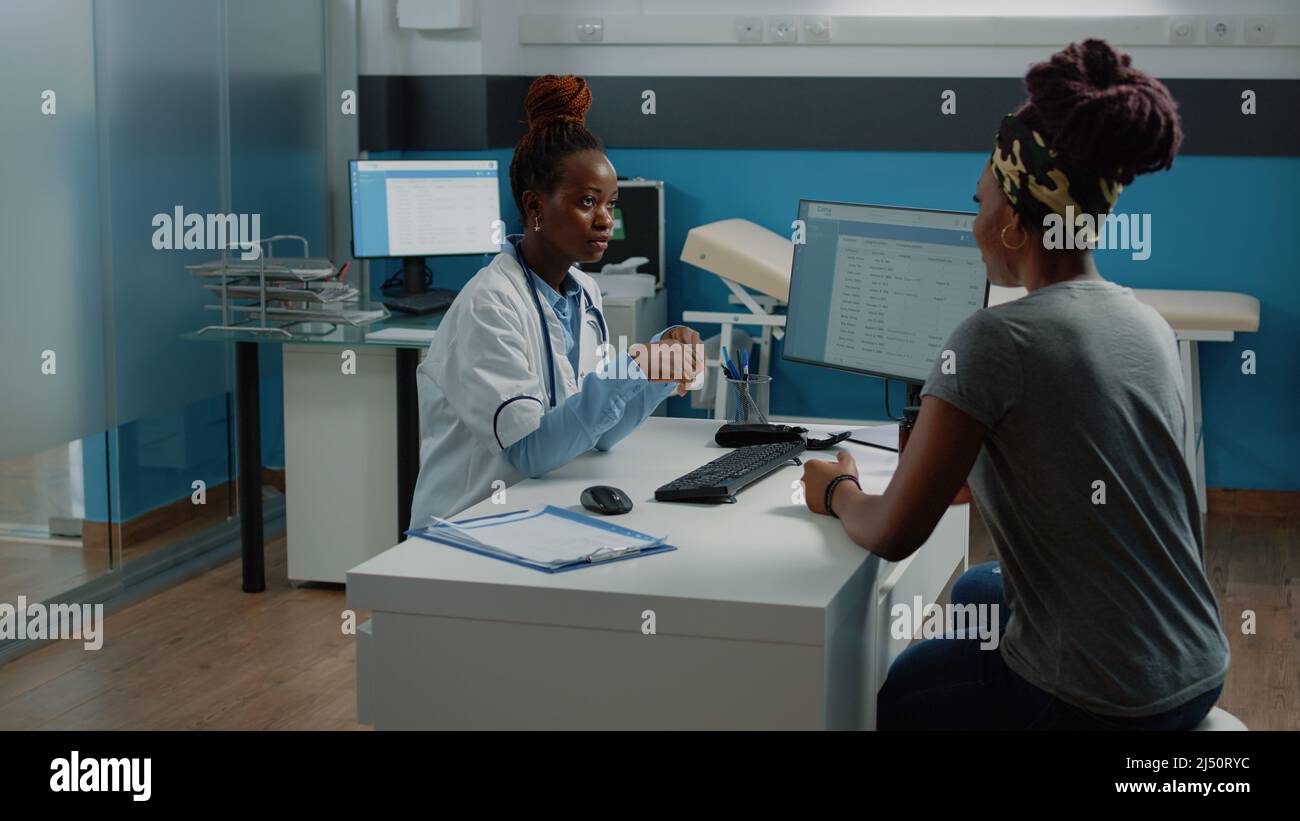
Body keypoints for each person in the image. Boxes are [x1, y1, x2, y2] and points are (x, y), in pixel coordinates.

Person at [801, 40, 1229, 730]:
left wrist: (836, 489)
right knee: (976, 585)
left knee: (900, 699)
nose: (972, 227)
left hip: (1100, 700)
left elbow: (894, 533)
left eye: (979, 203)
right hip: (1196, 663)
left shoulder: (993, 340)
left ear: (1011, 219)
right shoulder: (1144, 318)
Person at [410, 75, 701, 527]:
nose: (606, 220)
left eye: (610, 203)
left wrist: (658, 369)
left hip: (538, 517)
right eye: (587, 202)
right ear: (535, 207)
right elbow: (531, 451)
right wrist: (632, 367)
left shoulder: (583, 291)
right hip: (469, 528)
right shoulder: (490, 305)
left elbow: (596, 434)